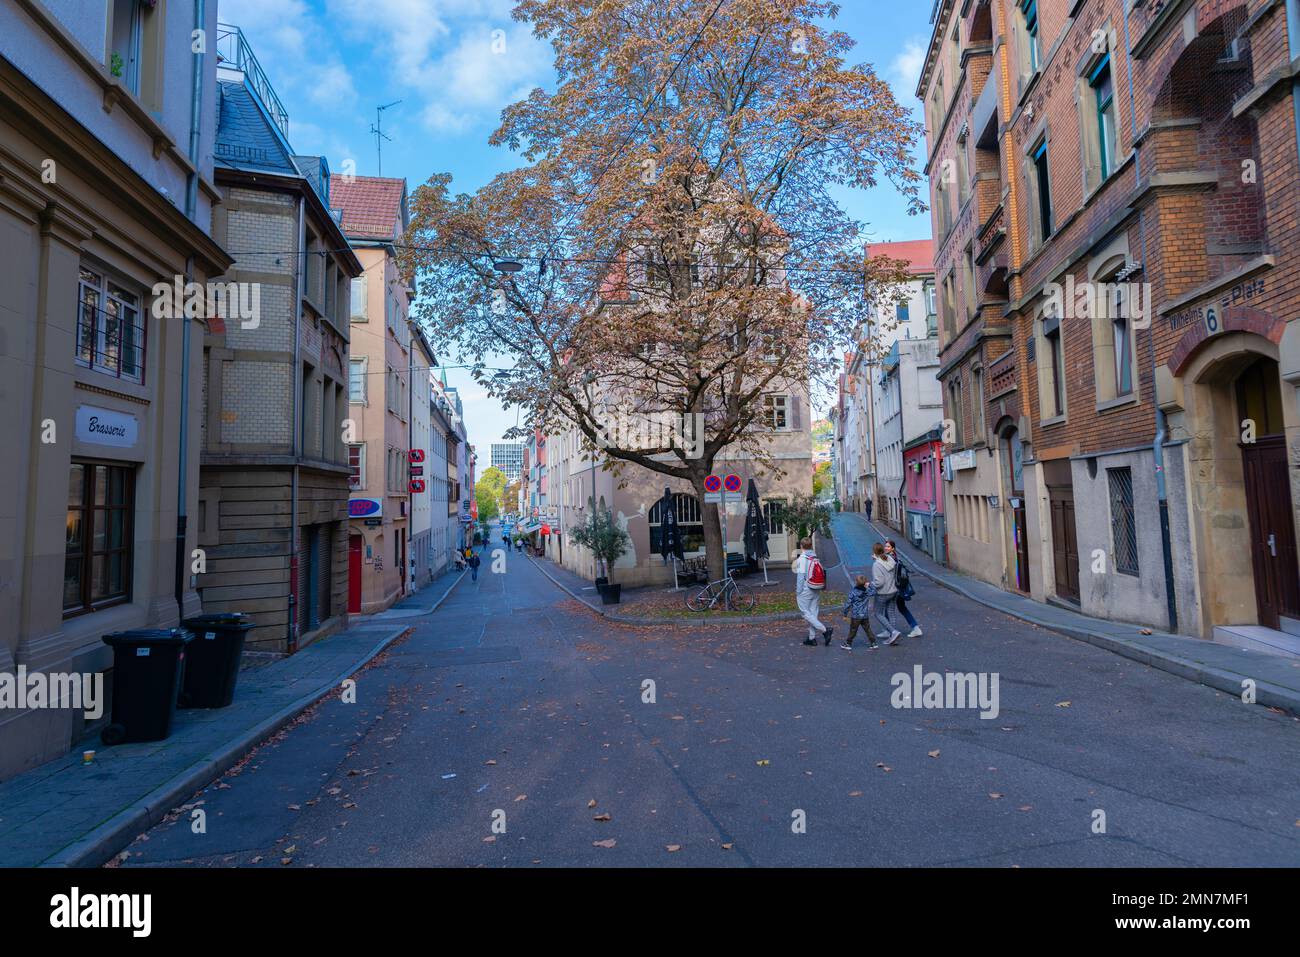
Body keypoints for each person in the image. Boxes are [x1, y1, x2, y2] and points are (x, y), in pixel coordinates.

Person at [791, 537, 834, 647]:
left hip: (806, 589)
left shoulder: (802, 559)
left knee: (805, 612)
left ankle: (825, 630)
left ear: (801, 546)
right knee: (813, 613)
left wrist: (798, 591)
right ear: (811, 546)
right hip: (816, 588)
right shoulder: (815, 557)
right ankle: (811, 638)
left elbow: (800, 577)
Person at [885, 539, 923, 638]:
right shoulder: (895, 558)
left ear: (893, 548)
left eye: (888, 546)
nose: (886, 548)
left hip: (895, 589)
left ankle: (889, 631)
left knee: (888, 608)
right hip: (900, 589)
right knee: (901, 608)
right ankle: (915, 628)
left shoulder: (890, 559)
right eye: (885, 546)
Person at [869, 542, 902, 645]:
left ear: (874, 552)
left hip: (883, 593)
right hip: (894, 590)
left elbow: (879, 582)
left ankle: (893, 632)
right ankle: (893, 636)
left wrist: (870, 584)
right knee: (891, 613)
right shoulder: (890, 559)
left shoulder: (876, 565)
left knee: (878, 613)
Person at [839, 574, 877, 650]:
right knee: (867, 629)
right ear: (865, 582)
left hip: (856, 616)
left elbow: (848, 604)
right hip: (864, 615)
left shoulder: (853, 592)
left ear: (856, 582)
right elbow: (875, 591)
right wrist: (870, 585)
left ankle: (848, 643)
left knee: (853, 630)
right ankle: (873, 643)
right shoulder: (867, 592)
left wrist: (845, 614)